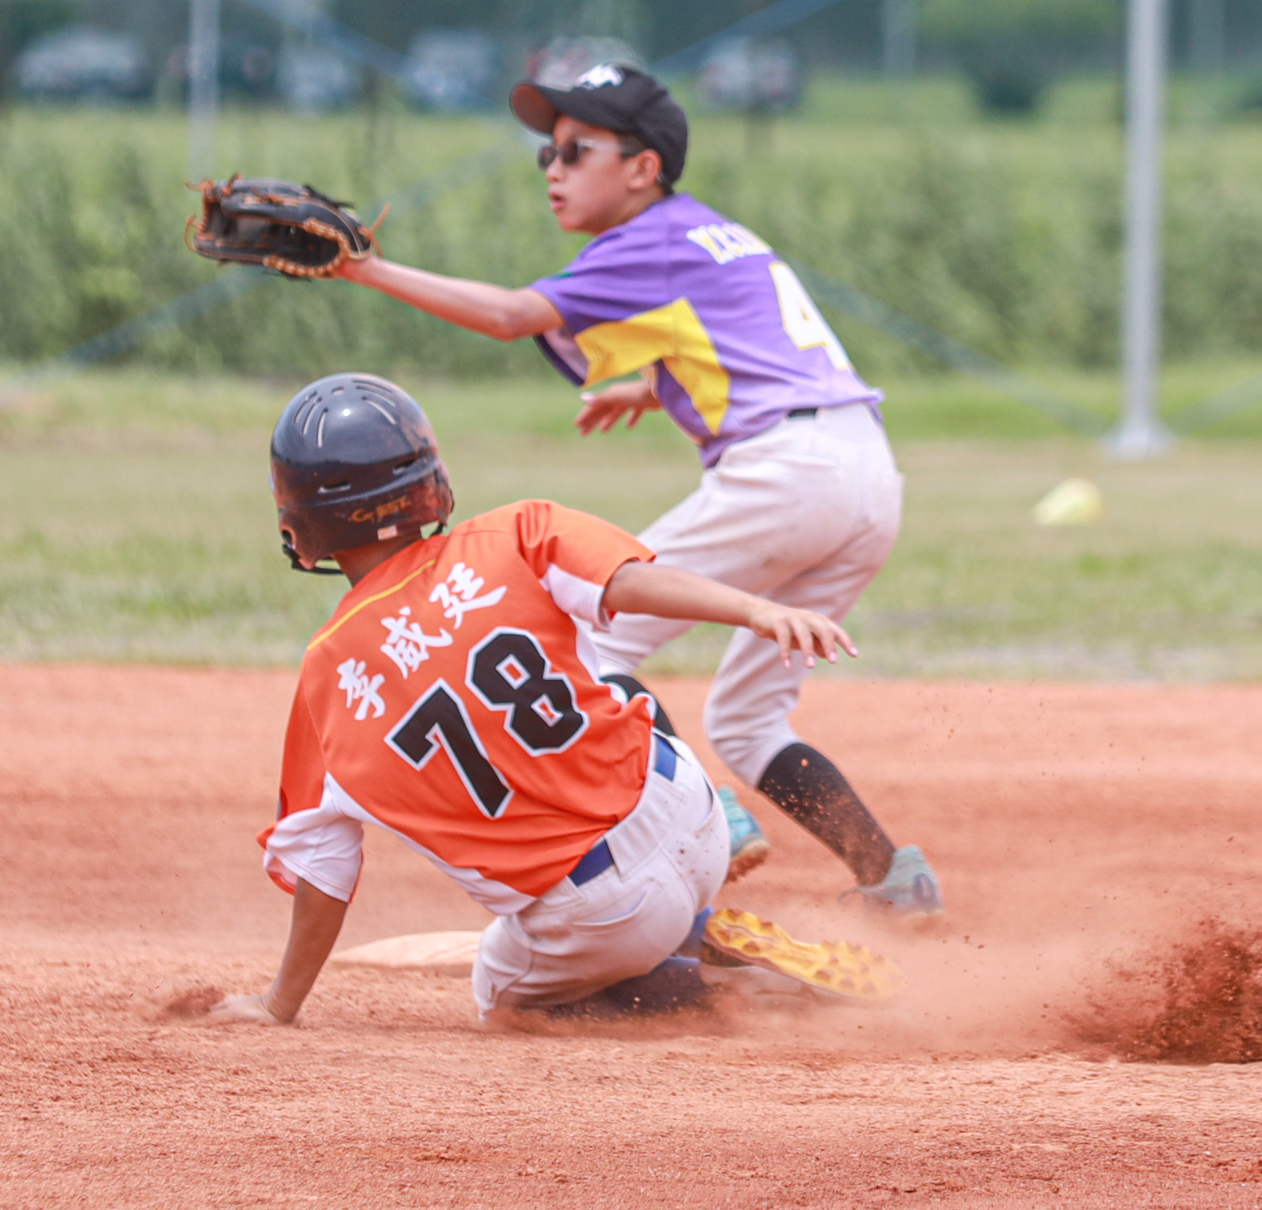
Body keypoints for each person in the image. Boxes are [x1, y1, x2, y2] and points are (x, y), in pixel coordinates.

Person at [332, 63, 941, 920]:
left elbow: (512, 316)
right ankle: (893, 879)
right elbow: (757, 351)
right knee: (746, 720)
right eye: (548, 149)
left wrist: (363, 269)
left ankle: (710, 821)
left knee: (584, 633)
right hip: (865, 475)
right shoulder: (706, 232)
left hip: (789, 473)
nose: (553, 166)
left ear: (643, 167)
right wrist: (655, 387)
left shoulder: (644, 240)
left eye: (577, 148)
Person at [210, 374, 897, 1026]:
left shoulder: (327, 674)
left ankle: (700, 980)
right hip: (693, 816)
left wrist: (279, 1003)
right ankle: (689, 926)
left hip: (602, 911)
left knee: (498, 996)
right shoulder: (515, 531)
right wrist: (753, 609)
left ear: (300, 522)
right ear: (429, 482)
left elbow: (324, 866)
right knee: (611, 676)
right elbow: (626, 583)